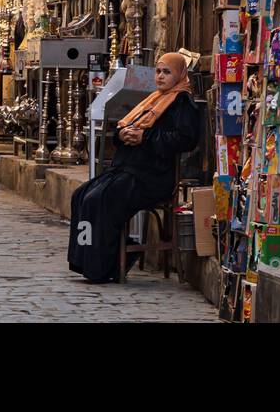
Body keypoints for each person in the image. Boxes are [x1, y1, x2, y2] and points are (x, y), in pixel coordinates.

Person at [68, 52, 200, 283]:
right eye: (158, 71)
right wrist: (123, 135)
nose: (160, 76)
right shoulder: (153, 100)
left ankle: (105, 265)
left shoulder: (182, 103)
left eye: (166, 72)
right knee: (81, 195)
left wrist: (145, 137)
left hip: (153, 176)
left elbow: (186, 139)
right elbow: (124, 128)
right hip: (128, 170)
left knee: (99, 199)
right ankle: (84, 260)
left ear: (179, 75)